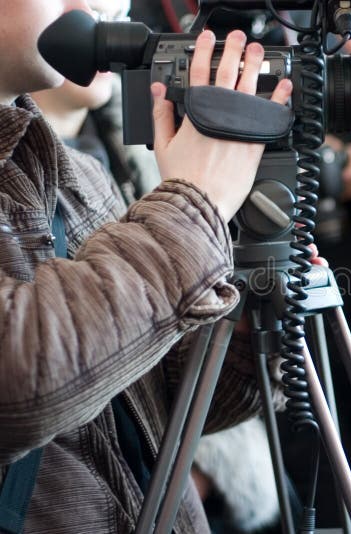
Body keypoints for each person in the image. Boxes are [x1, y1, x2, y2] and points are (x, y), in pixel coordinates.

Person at [0, 1, 304, 533]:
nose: (110, 6)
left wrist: (256, 289)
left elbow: (153, 395)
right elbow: (18, 384)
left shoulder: (77, 172)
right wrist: (194, 204)